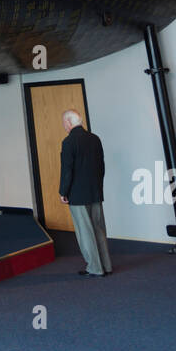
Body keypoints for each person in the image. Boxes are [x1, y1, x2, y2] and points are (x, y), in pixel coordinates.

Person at [59, 109, 112, 277]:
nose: (64, 126)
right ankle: (106, 266)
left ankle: (95, 268)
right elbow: (101, 167)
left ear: (68, 122)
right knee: (99, 228)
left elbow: (67, 170)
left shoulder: (68, 142)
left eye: (64, 123)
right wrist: (98, 187)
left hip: (78, 195)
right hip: (95, 191)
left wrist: (63, 191)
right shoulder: (95, 139)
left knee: (85, 231)